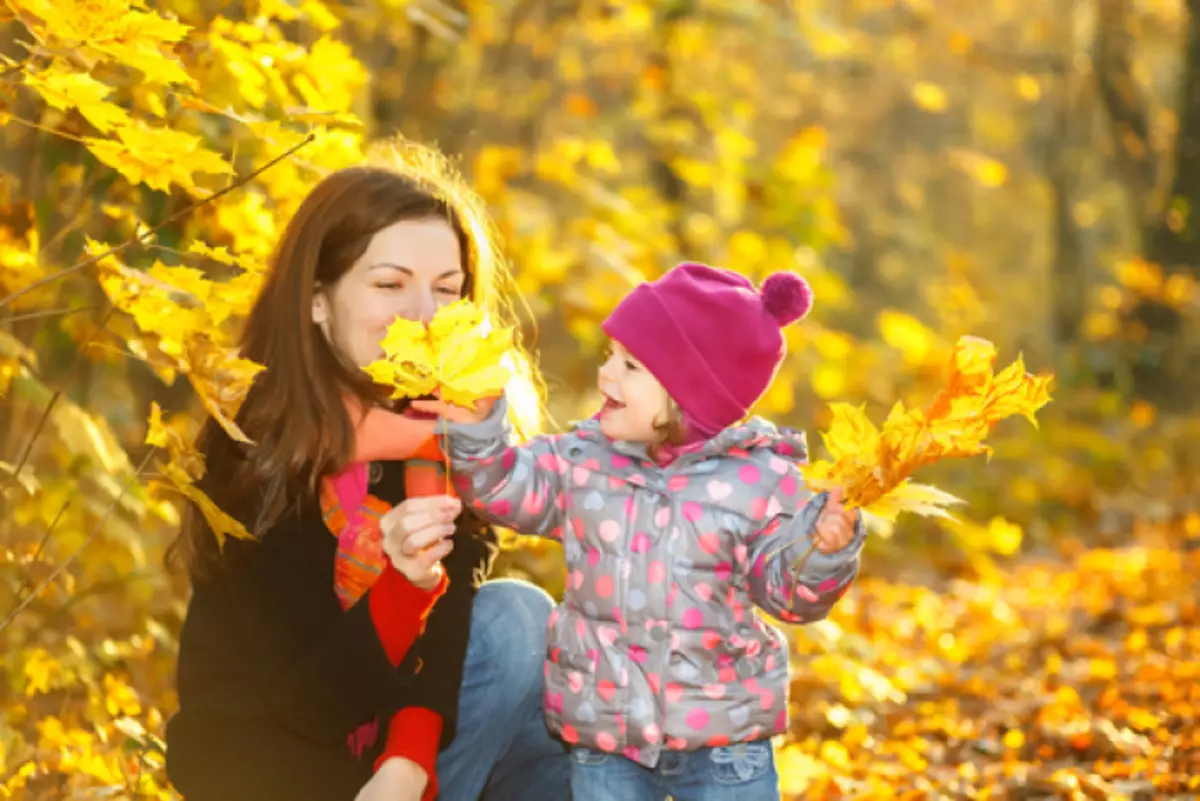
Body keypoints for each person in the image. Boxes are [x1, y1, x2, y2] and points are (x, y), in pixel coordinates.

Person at [163, 143, 570, 801]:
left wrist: (408, 760)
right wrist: (405, 582)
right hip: (270, 769)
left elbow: (447, 630)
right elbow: (311, 704)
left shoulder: (451, 437)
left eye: (447, 289)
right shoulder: (258, 442)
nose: (425, 315)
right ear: (318, 301)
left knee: (537, 669)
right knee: (519, 628)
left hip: (395, 772)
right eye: (389, 283)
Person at [416, 262, 867, 801]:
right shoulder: (584, 463)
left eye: (630, 365)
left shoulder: (761, 483)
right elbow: (503, 486)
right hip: (607, 739)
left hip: (723, 742)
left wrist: (821, 552)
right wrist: (478, 428)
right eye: (610, 355)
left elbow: (788, 596)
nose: (606, 374)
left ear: (688, 392)